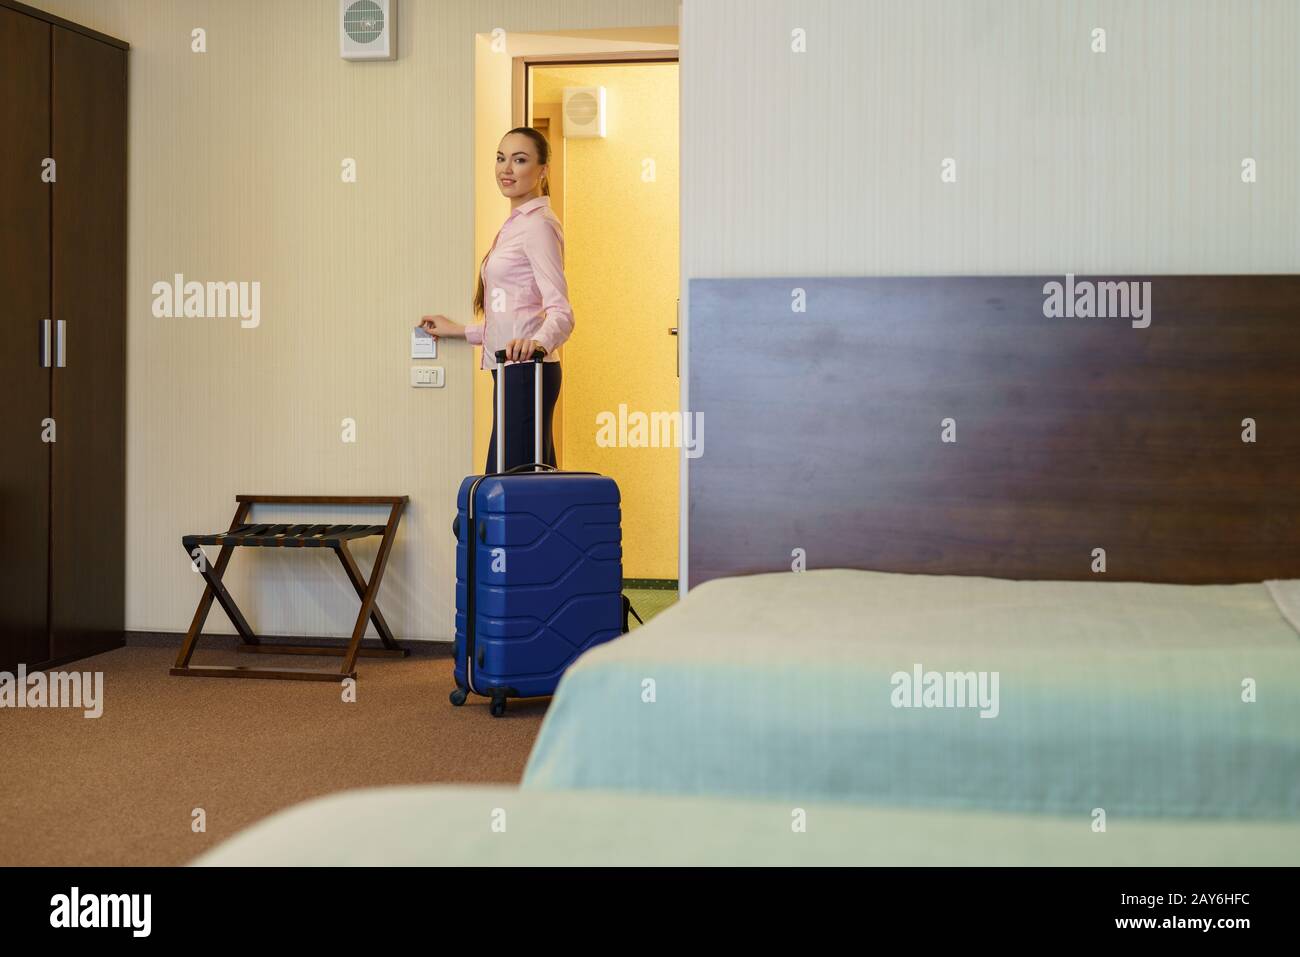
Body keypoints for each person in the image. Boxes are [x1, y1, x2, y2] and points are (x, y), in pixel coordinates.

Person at [418, 127, 573, 473]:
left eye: (520, 160)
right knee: (520, 484)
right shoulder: (515, 224)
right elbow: (514, 314)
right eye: (501, 158)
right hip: (511, 370)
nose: (507, 169)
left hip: (528, 371)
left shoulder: (538, 226)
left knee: (510, 485)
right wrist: (460, 330)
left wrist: (537, 344)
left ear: (542, 170)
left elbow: (561, 312)